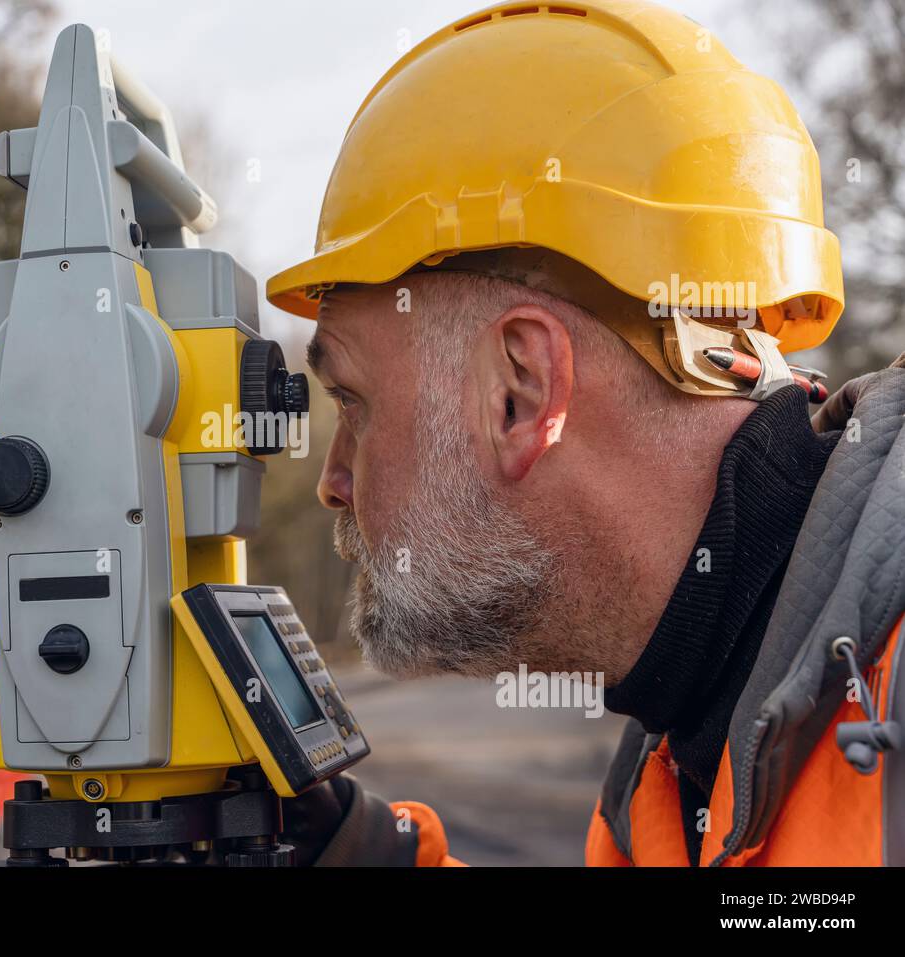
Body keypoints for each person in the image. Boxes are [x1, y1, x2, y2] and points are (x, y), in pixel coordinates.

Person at [269, 0, 905, 867]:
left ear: (522, 394)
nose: (333, 479)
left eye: (355, 400)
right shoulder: (670, 757)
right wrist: (364, 855)